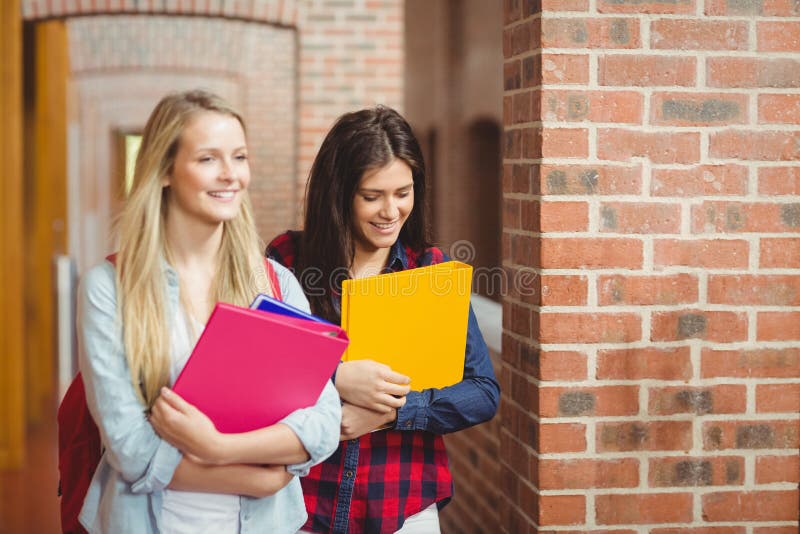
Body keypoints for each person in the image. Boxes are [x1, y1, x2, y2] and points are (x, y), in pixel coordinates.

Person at [77, 89, 341, 534]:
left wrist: (216, 447)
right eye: (208, 159)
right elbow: (130, 448)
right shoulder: (109, 289)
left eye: (239, 157)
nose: (230, 174)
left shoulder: (275, 284)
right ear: (164, 170)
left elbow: (322, 423)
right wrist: (261, 476)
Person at [267, 105, 500, 534]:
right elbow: (259, 367)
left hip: (402, 504)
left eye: (403, 193)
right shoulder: (288, 260)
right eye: (372, 196)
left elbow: (482, 391)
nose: (391, 211)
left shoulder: (430, 270)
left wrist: (393, 413)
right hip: (304, 502)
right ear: (338, 194)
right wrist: (336, 378)